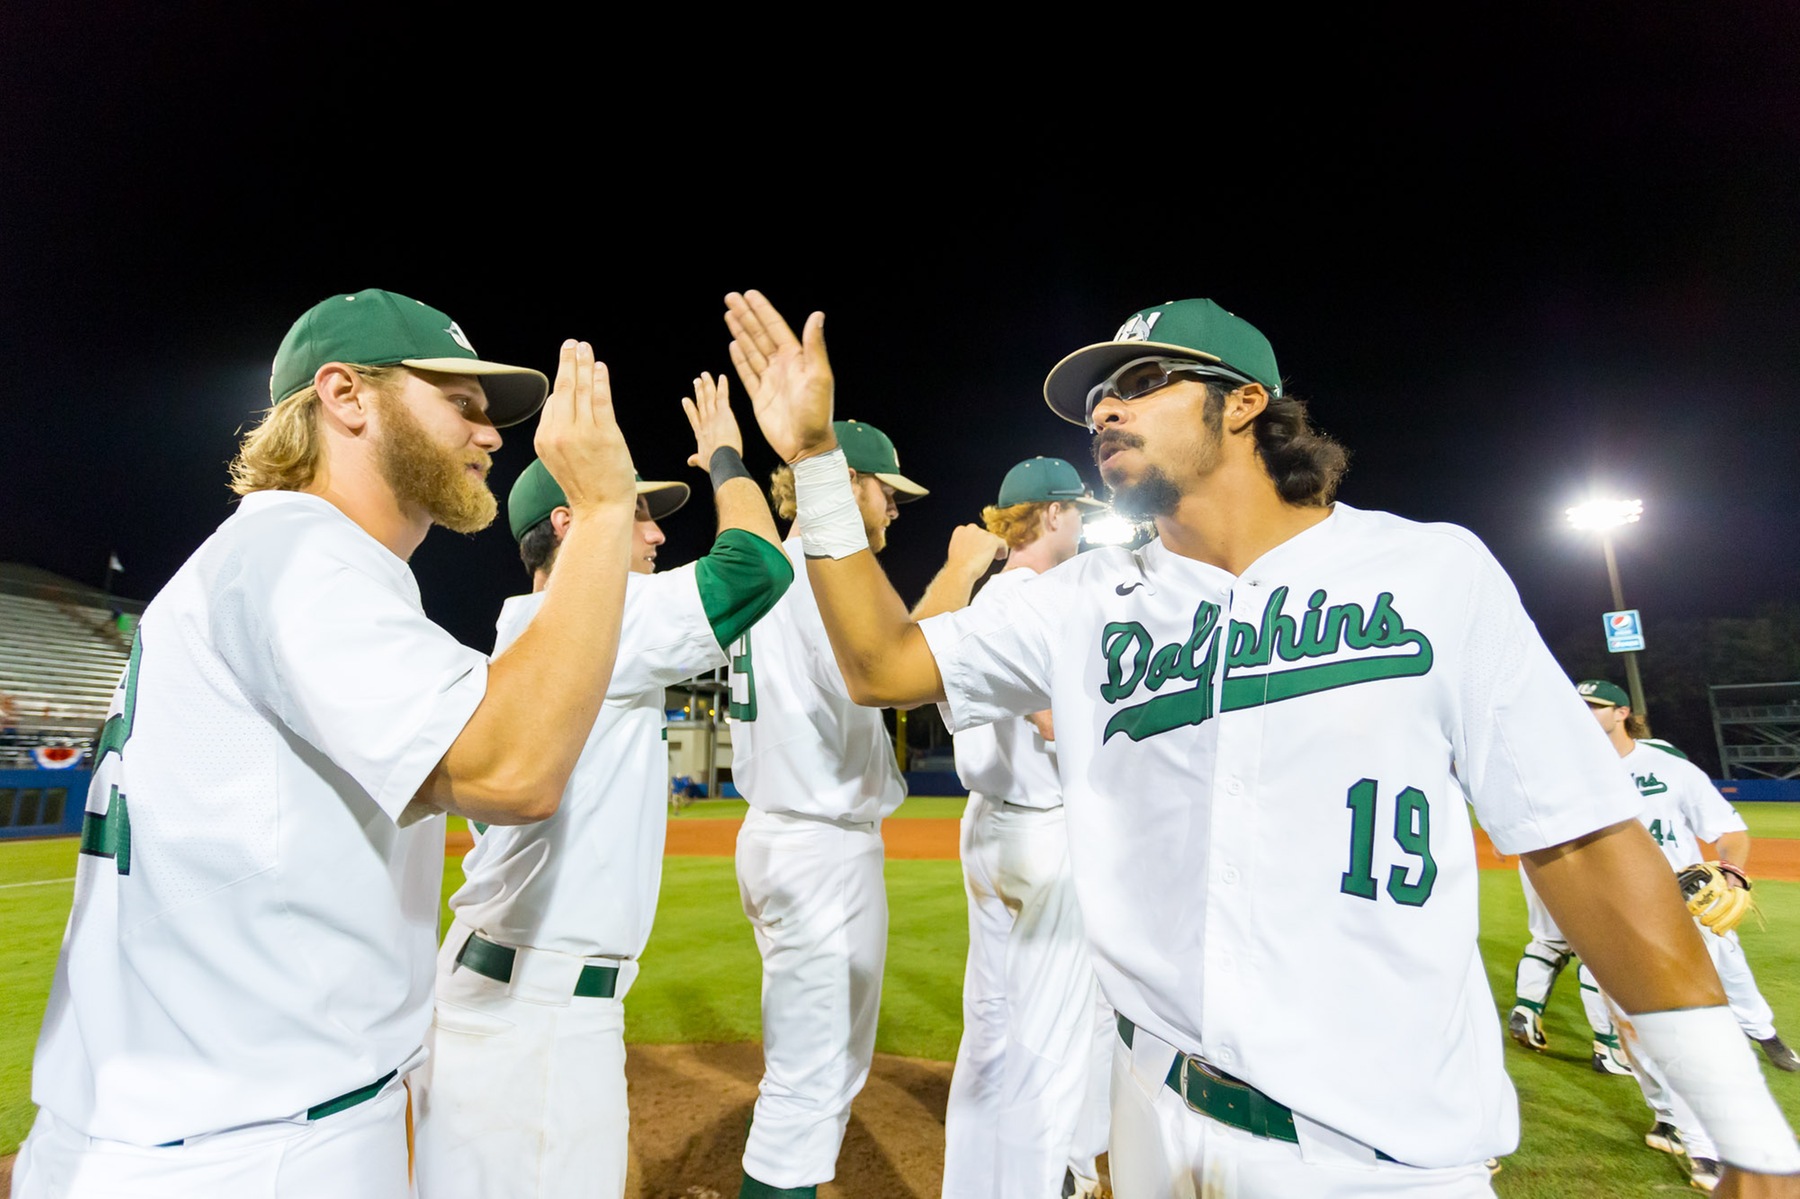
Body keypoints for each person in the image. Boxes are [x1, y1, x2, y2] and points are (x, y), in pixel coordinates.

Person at [719, 289, 1800, 1197]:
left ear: (1245, 403)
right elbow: (882, 665)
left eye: (1142, 382)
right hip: (1152, 1111)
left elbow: (1578, 839)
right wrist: (815, 460)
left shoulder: (1428, 570)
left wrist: (1737, 1119)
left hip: (1380, 1151)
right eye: (1097, 396)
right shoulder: (1084, 597)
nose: (1104, 408)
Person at [12, 289, 639, 1199]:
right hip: (243, 1144)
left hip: (185, 1126)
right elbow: (513, 767)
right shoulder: (302, 554)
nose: (490, 434)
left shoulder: (273, 558)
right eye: (457, 402)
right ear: (346, 395)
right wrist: (606, 508)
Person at [412, 372, 793, 1199]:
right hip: (539, 1013)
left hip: (511, 994)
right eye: (635, 509)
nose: (654, 534)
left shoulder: (529, 629)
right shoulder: (602, 623)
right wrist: (727, 458)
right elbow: (757, 566)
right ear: (570, 520)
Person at [725, 417, 933, 1199]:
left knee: (816, 1078)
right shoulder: (817, 572)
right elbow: (899, 670)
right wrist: (956, 577)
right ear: (847, 486)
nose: (894, 509)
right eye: (887, 490)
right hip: (819, 846)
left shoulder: (768, 568)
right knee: (811, 1087)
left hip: (785, 833)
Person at [940, 457, 1114, 1199]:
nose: (1082, 520)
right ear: (1050, 515)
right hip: (1045, 833)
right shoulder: (1046, 599)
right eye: (1076, 509)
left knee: (991, 1032)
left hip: (986, 828)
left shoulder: (981, 598)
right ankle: (1054, 1183)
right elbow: (1054, 717)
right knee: (1053, 1042)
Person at [1572, 678, 1799, 1192]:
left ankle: (1754, 1051)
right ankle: (1678, 1125)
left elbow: (1729, 830)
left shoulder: (1669, 768)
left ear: (1623, 712)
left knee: (1702, 1022)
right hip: (1612, 919)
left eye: (1593, 706)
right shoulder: (1568, 774)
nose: (1581, 712)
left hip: (1687, 912)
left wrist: (1734, 873)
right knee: (1640, 1038)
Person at [1507, 868, 1634, 1074]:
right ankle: (1609, 1048)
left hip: (1533, 859)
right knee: (1600, 951)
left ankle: (1526, 1010)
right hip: (1581, 861)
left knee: (1548, 941)